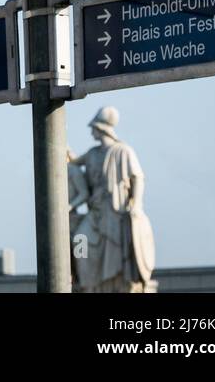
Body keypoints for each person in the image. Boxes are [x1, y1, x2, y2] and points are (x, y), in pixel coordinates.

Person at [68, 107, 156, 292]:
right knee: (79, 238)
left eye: (93, 127)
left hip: (116, 211)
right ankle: (87, 282)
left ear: (101, 128)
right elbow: (74, 161)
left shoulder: (123, 151)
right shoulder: (92, 153)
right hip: (96, 211)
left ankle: (114, 283)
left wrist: (137, 204)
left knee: (116, 251)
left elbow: (138, 177)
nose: (91, 131)